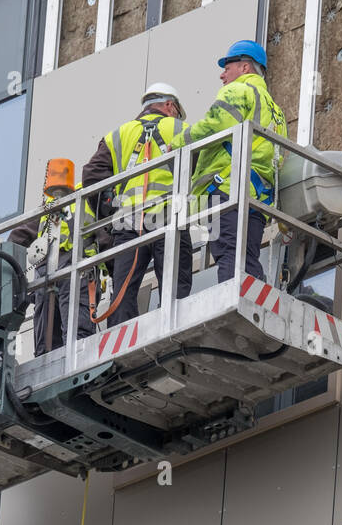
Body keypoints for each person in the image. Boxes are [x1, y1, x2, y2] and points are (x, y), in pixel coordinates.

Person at [166, 39, 287, 282]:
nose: (222, 76)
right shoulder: (276, 110)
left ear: (244, 68)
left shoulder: (238, 90)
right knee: (247, 254)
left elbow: (214, 126)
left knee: (228, 250)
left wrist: (178, 143)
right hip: (258, 194)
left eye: (227, 67)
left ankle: (237, 300)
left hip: (227, 187)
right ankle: (254, 299)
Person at [82, 83, 193, 326]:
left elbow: (91, 174)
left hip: (128, 223)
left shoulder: (118, 135)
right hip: (170, 217)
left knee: (123, 289)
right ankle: (175, 331)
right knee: (175, 284)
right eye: (175, 110)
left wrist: (110, 213)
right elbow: (200, 164)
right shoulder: (181, 128)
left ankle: (119, 342)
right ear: (169, 106)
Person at [8, 158, 98, 355]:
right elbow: (19, 235)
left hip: (69, 266)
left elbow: (19, 235)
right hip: (58, 268)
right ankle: (60, 356)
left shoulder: (83, 195)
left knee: (67, 331)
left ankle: (65, 357)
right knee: (62, 330)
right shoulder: (81, 196)